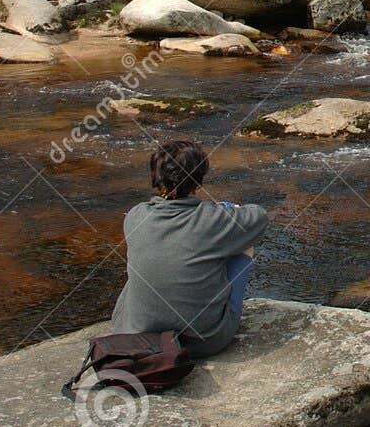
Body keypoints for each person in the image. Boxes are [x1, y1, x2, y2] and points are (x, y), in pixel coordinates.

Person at [111, 138, 268, 358]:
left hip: (140, 336)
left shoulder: (135, 216)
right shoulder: (212, 220)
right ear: (199, 180)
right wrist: (227, 209)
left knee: (151, 260)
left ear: (156, 177)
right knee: (243, 240)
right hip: (204, 341)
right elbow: (259, 217)